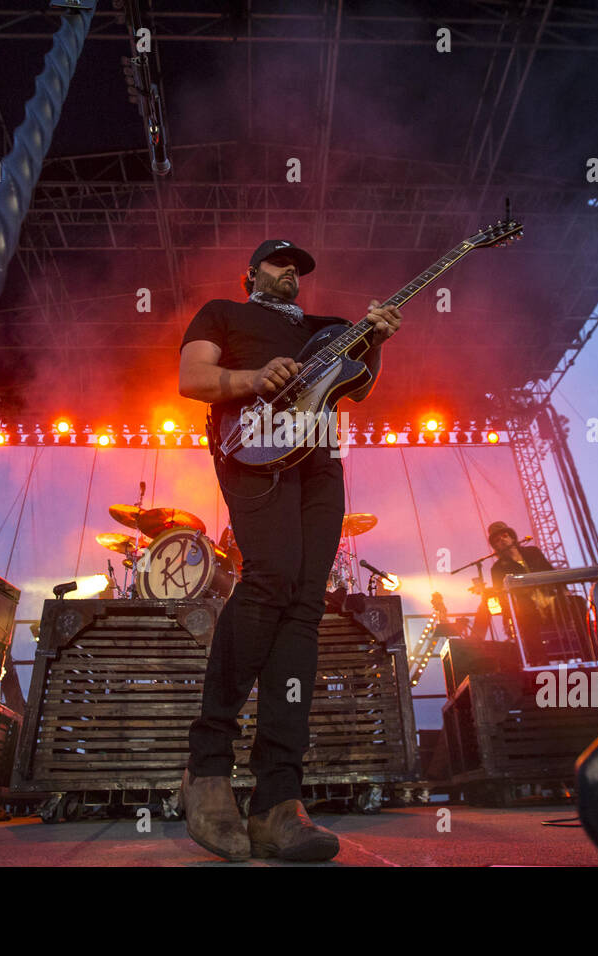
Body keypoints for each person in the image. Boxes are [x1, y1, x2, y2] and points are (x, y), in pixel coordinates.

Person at [177, 238, 401, 861]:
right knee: (270, 578)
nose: (290, 274)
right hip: (251, 444)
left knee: (305, 603)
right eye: (278, 265)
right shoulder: (222, 312)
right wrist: (251, 377)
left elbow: (357, 387)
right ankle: (208, 765)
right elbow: (192, 379)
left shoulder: (332, 328)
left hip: (320, 456)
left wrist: (375, 337)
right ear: (251, 274)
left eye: (298, 269)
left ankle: (278, 800)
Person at [473, 522, 555, 664]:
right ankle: (540, 663)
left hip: (551, 601)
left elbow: (551, 573)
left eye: (504, 536)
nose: (502, 540)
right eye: (497, 540)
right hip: (526, 607)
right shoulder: (497, 569)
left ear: (512, 538)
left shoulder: (533, 552)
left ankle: (590, 653)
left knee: (577, 603)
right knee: (525, 615)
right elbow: (501, 597)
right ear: (495, 547)